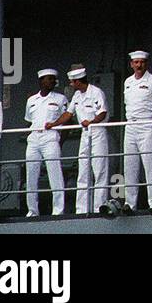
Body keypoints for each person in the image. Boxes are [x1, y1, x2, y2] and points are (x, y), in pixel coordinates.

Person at [56, 66, 110, 215]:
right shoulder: (77, 96)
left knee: (99, 171)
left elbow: (102, 112)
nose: (71, 85)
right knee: (83, 172)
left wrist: (91, 122)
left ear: (78, 81)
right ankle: (82, 208)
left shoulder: (96, 92)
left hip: (97, 132)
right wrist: (53, 124)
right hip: (85, 135)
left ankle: (100, 207)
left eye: (72, 82)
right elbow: (68, 113)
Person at [122, 49, 152, 209]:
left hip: (147, 124)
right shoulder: (127, 82)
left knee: (151, 164)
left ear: (146, 64)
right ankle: (129, 203)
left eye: (142, 62)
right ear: (131, 64)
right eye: (136, 62)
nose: (139, 65)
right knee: (130, 165)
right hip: (130, 125)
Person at [24, 69, 68, 217]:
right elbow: (28, 121)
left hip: (51, 138)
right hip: (34, 138)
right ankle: (32, 210)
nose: (53, 82)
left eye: (54, 79)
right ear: (41, 81)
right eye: (49, 79)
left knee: (55, 175)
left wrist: (60, 142)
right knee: (31, 175)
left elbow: (68, 121)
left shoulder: (61, 99)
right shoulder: (31, 100)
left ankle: (58, 210)